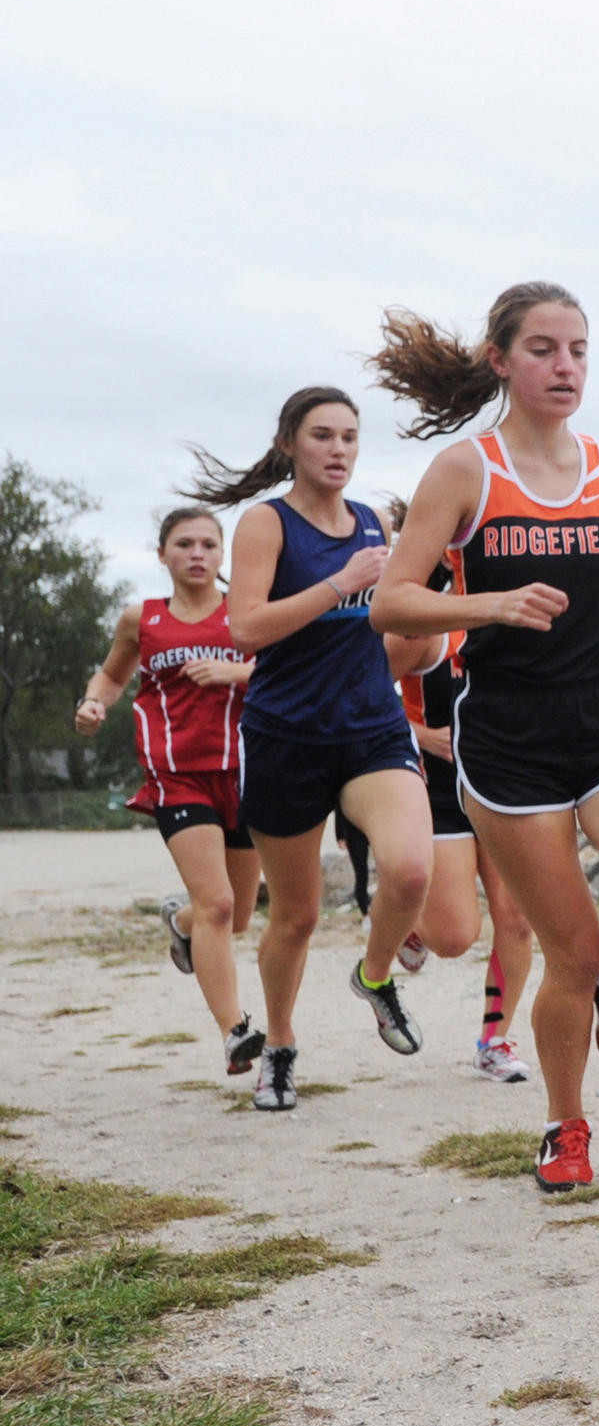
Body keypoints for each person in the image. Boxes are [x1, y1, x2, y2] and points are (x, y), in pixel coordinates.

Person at [368, 282, 599, 1192]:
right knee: (568, 947)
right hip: (509, 733)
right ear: (501, 360)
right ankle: (566, 1127)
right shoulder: (465, 471)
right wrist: (489, 604)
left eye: (578, 350)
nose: (566, 367)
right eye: (543, 349)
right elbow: (390, 604)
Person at [185, 387, 434, 1111]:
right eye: (323, 435)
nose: (338, 449)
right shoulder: (266, 523)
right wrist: (339, 583)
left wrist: (423, 638)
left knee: (410, 869)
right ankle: (281, 1047)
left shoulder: (373, 522)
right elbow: (245, 629)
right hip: (286, 738)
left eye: (350, 436)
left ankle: (375, 976)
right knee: (295, 916)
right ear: (289, 442)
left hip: (371, 728)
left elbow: (388, 623)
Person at [74, 506, 264, 1075]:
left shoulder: (247, 614)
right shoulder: (144, 618)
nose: (197, 554)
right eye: (184, 544)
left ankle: (180, 926)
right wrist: (94, 702)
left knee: (237, 915)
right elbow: (113, 674)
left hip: (246, 772)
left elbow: (291, 673)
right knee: (218, 904)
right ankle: (234, 1032)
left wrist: (237, 672)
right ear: (163, 554)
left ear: (223, 554)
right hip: (176, 774)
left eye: (208, 544)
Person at [383, 500, 537, 1084]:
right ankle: (410, 922)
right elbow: (353, 698)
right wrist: (420, 734)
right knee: (453, 938)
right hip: (440, 791)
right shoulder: (419, 628)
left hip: (510, 782)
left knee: (516, 919)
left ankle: (494, 1041)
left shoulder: (516, 613)